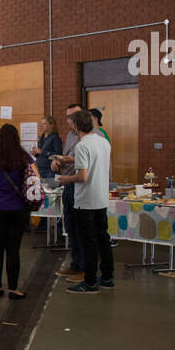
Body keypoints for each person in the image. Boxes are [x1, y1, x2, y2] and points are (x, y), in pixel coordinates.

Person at [0, 123, 38, 298]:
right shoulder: (24, 157)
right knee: (13, 249)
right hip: (17, 209)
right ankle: (13, 288)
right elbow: (36, 179)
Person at [58, 110, 115, 295]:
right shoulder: (103, 142)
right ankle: (107, 277)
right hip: (101, 197)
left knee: (88, 242)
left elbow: (82, 176)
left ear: (75, 126)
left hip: (86, 200)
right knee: (103, 239)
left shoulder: (82, 146)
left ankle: (90, 281)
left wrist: (67, 180)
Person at [50, 104, 86, 279]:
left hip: (82, 186)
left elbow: (85, 160)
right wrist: (58, 162)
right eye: (68, 117)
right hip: (68, 184)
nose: (70, 120)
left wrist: (67, 159)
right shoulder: (71, 135)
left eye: (73, 116)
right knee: (70, 226)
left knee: (82, 228)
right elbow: (68, 157)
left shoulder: (94, 137)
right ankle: (75, 264)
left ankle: (84, 268)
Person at [32, 116, 63, 180]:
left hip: (50, 171)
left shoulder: (55, 138)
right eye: (41, 124)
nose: (41, 126)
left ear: (51, 125)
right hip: (40, 170)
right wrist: (35, 153)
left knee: (52, 189)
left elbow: (59, 155)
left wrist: (42, 152)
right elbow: (41, 154)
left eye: (44, 124)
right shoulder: (41, 137)